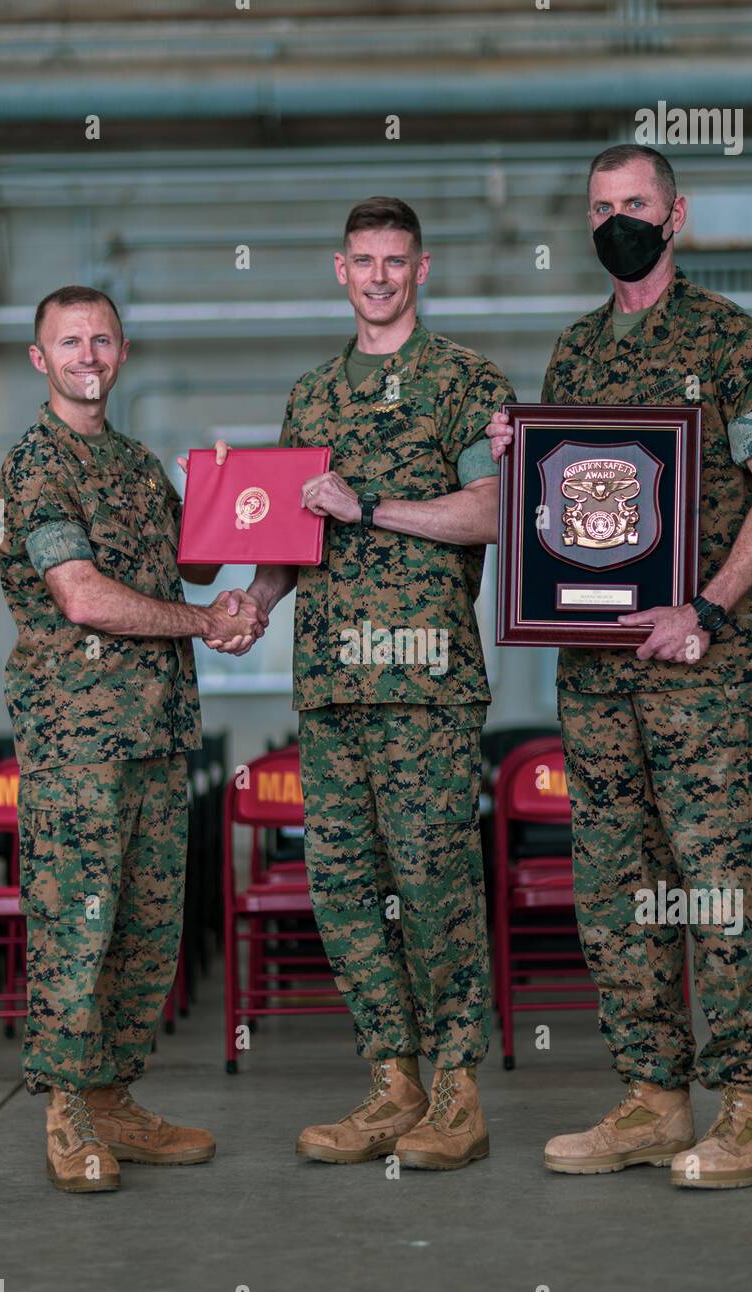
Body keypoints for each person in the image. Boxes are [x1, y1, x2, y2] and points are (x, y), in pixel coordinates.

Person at [488, 146, 752, 1190]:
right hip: (593, 676)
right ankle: (650, 1097)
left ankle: (750, 1113)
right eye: (599, 207)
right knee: (617, 891)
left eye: (635, 204)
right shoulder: (573, 352)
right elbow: (562, 509)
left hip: (701, 671)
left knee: (718, 890)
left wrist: (705, 606)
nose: (616, 220)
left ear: (676, 216)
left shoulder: (729, 339)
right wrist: (515, 458)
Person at [212, 197, 514, 1169]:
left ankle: (458, 1096)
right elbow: (288, 541)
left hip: (424, 682)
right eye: (362, 260)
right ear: (337, 271)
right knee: (342, 888)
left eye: (396, 260)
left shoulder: (463, 381)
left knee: (433, 887)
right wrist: (252, 602)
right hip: (330, 684)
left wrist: (369, 503)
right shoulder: (310, 397)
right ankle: (392, 1083)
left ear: (419, 271)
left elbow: (488, 513)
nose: (379, 275)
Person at [0, 285, 266, 1193]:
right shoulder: (37, 465)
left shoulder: (140, 466)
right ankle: (67, 1118)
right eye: (68, 341)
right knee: (80, 928)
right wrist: (204, 621)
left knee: (147, 932)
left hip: (153, 734)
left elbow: (185, 558)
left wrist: (239, 499)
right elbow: (82, 595)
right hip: (78, 743)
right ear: (42, 359)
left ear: (121, 352)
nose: (87, 355)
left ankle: (113, 1100)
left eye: (101, 339)